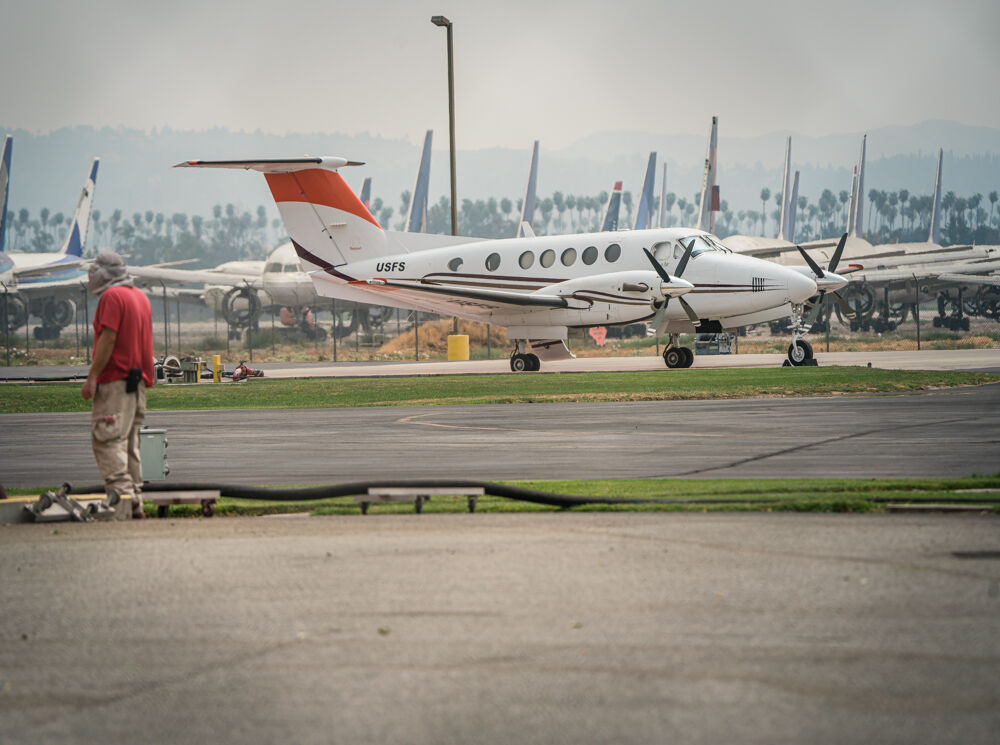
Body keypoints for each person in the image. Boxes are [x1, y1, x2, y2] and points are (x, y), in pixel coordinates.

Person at [81, 252, 154, 519]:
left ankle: (122, 500)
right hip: (137, 384)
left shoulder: (112, 297)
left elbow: (108, 338)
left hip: (115, 382)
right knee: (130, 443)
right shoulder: (139, 297)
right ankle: (136, 501)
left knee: (108, 440)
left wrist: (93, 376)